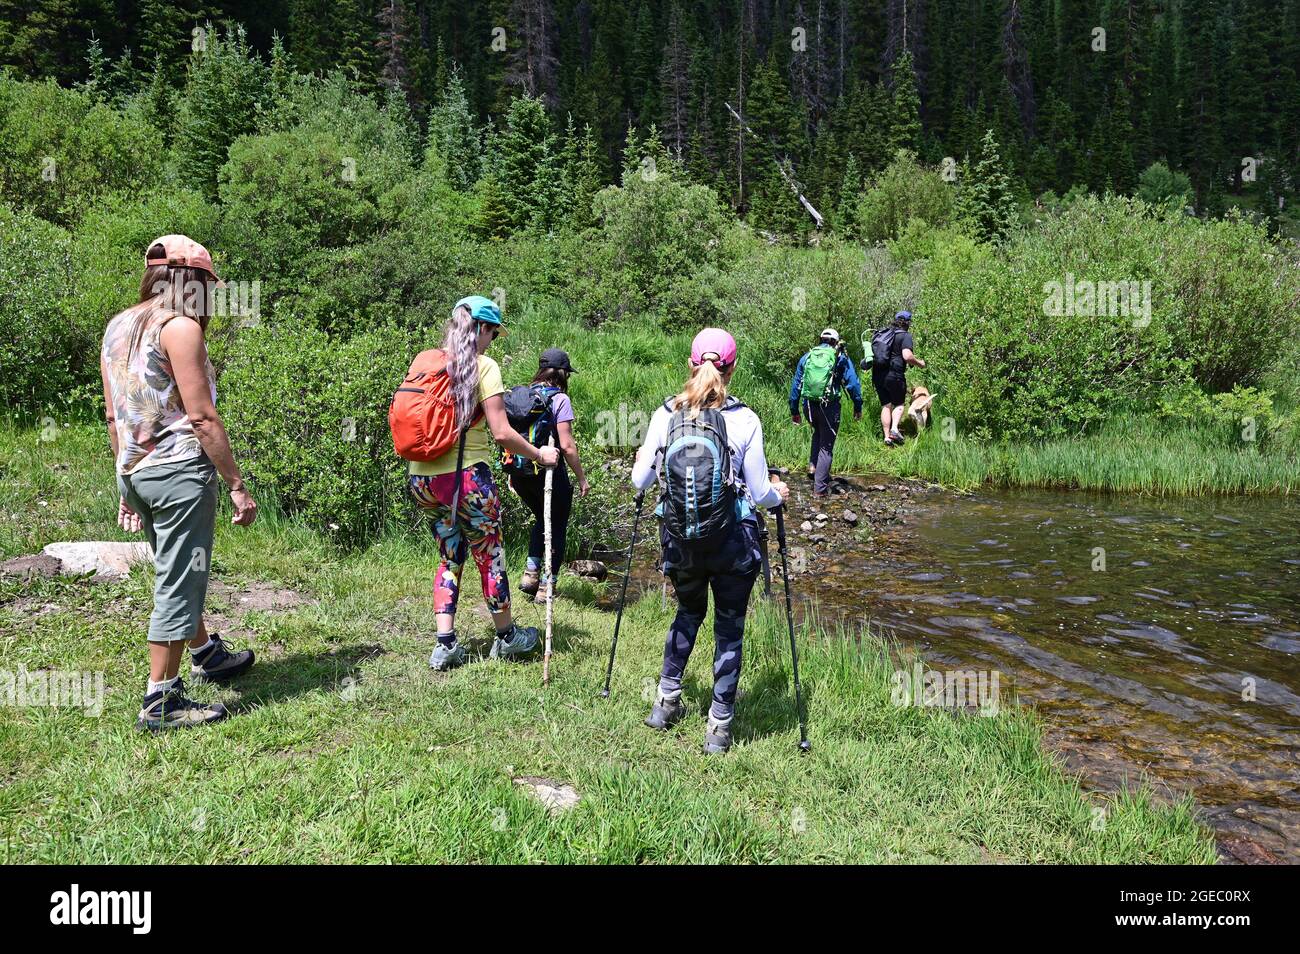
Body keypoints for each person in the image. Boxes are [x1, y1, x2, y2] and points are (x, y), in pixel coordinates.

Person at [100, 235, 258, 731]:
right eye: (208, 285)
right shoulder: (180, 327)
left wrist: (125, 477)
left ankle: (206, 652)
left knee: (177, 569)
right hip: (178, 471)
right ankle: (161, 699)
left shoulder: (117, 327)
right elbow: (203, 417)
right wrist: (236, 482)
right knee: (178, 580)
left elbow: (112, 415)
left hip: (138, 472)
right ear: (192, 281)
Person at [632, 328, 790, 754]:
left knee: (687, 613)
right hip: (732, 543)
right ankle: (718, 728)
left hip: (681, 540)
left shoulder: (666, 414)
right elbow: (760, 494)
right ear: (732, 368)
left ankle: (665, 704)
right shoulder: (746, 419)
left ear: (690, 363)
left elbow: (639, 480)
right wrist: (780, 494)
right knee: (729, 629)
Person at [406, 295, 560, 671]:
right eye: (493, 332)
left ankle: (445, 645)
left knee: (448, 554)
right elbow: (502, 432)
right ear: (480, 329)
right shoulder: (482, 365)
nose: (493, 340)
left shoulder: (425, 361)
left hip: (422, 480)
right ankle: (507, 637)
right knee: (489, 556)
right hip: (466, 480)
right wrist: (540, 455)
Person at [504, 348, 590, 601]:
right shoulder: (559, 400)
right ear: (562, 373)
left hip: (520, 473)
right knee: (557, 525)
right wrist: (582, 478)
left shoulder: (521, 396)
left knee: (543, 519)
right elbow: (567, 446)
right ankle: (546, 586)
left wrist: (512, 471)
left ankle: (530, 573)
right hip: (546, 472)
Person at [790, 328, 862, 496]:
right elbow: (853, 384)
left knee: (818, 431)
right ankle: (820, 489)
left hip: (808, 406)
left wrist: (794, 410)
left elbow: (796, 386)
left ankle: (814, 467)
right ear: (836, 342)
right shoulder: (840, 358)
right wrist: (857, 406)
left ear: (820, 339)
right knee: (826, 446)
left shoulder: (807, 357)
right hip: (829, 407)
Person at [870, 311, 926, 446]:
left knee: (886, 405)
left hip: (878, 374)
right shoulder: (905, 335)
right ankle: (894, 429)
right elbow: (907, 356)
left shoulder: (885, 334)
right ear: (907, 322)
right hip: (894, 375)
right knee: (900, 404)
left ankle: (886, 437)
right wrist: (919, 363)